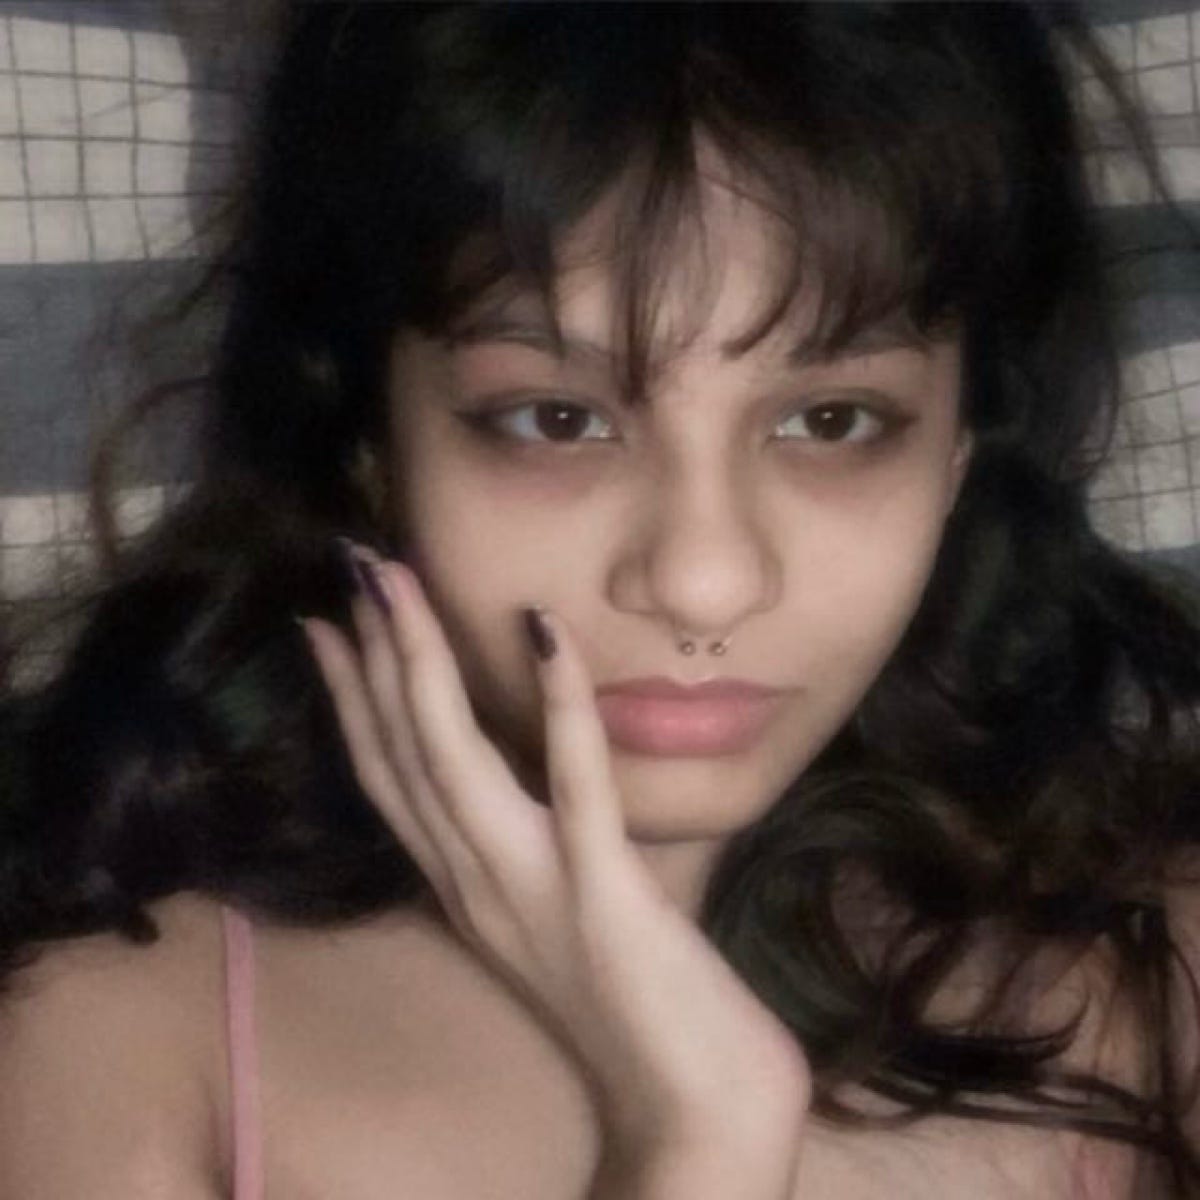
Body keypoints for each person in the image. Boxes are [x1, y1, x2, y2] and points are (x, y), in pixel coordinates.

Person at [2, 2, 1199, 1196]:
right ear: (371, 443)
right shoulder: (124, 1042)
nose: (703, 578)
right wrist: (699, 1133)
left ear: (959, 454)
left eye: (832, 421)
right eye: (558, 419)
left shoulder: (1155, 983)